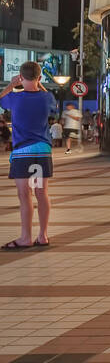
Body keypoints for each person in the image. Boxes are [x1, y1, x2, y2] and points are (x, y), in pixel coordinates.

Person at [0, 63, 53, 248]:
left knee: (25, 195)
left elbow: (0, 98)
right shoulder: (47, 97)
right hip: (42, 151)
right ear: (39, 78)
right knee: (41, 193)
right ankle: (43, 236)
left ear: (21, 77)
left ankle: (25, 237)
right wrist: (40, 84)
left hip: (23, 153)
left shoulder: (14, 97)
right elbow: (47, 95)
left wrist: (11, 85)